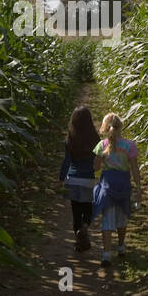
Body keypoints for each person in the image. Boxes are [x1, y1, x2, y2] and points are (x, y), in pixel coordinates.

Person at [92, 112, 141, 267]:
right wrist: (138, 187)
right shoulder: (130, 146)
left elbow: (96, 167)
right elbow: (134, 168)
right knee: (122, 216)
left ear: (105, 128)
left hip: (108, 184)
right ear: (121, 127)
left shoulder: (102, 145)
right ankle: (120, 245)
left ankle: (106, 254)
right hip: (123, 183)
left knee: (107, 218)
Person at [59, 106, 99, 253]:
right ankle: (84, 228)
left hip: (72, 180)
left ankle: (78, 240)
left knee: (76, 212)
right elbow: (97, 161)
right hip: (87, 180)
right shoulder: (95, 139)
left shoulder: (70, 139)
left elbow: (66, 162)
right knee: (87, 210)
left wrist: (61, 178)